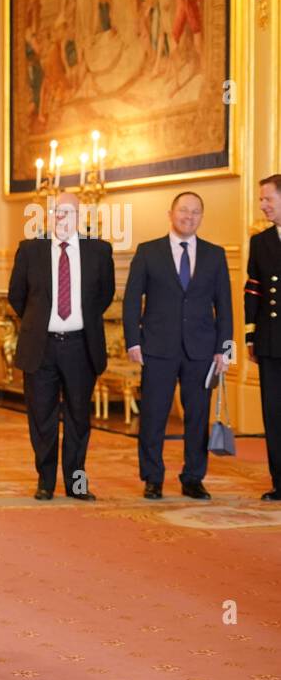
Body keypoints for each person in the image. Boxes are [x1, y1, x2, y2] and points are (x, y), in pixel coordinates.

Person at [123, 191, 232, 499]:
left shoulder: (215, 254)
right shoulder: (148, 252)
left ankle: (193, 477)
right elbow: (132, 300)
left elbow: (224, 305)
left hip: (201, 349)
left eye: (196, 212)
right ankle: (153, 477)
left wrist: (225, 349)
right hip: (157, 347)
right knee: (154, 415)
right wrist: (133, 341)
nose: (189, 216)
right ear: (170, 214)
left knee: (197, 416)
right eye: (184, 210)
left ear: (201, 216)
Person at [8, 191, 116, 500]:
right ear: (48, 216)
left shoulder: (98, 251)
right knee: (41, 418)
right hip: (41, 348)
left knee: (79, 419)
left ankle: (76, 483)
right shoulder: (30, 250)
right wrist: (40, 322)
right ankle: (45, 481)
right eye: (57, 212)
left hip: (81, 347)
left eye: (68, 212)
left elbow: (103, 296)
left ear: (79, 217)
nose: (61, 217)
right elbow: (18, 296)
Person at [246, 174, 281, 501]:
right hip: (271, 341)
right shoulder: (261, 241)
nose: (263, 205)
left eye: (268, 199)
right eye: (261, 200)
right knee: (273, 413)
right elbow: (253, 291)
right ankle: (280, 482)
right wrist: (250, 335)